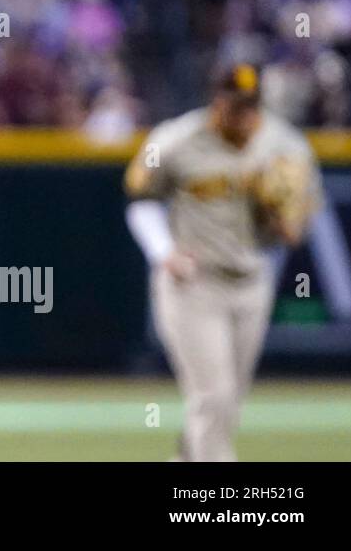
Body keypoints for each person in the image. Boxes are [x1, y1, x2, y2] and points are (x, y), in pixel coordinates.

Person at [123, 63, 322, 461]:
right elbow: (140, 201)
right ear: (217, 102)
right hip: (194, 283)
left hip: (251, 281)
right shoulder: (176, 139)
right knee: (213, 397)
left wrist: (283, 214)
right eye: (235, 107)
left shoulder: (284, 145)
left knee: (228, 404)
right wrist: (164, 252)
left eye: (251, 107)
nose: (244, 116)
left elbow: (294, 230)